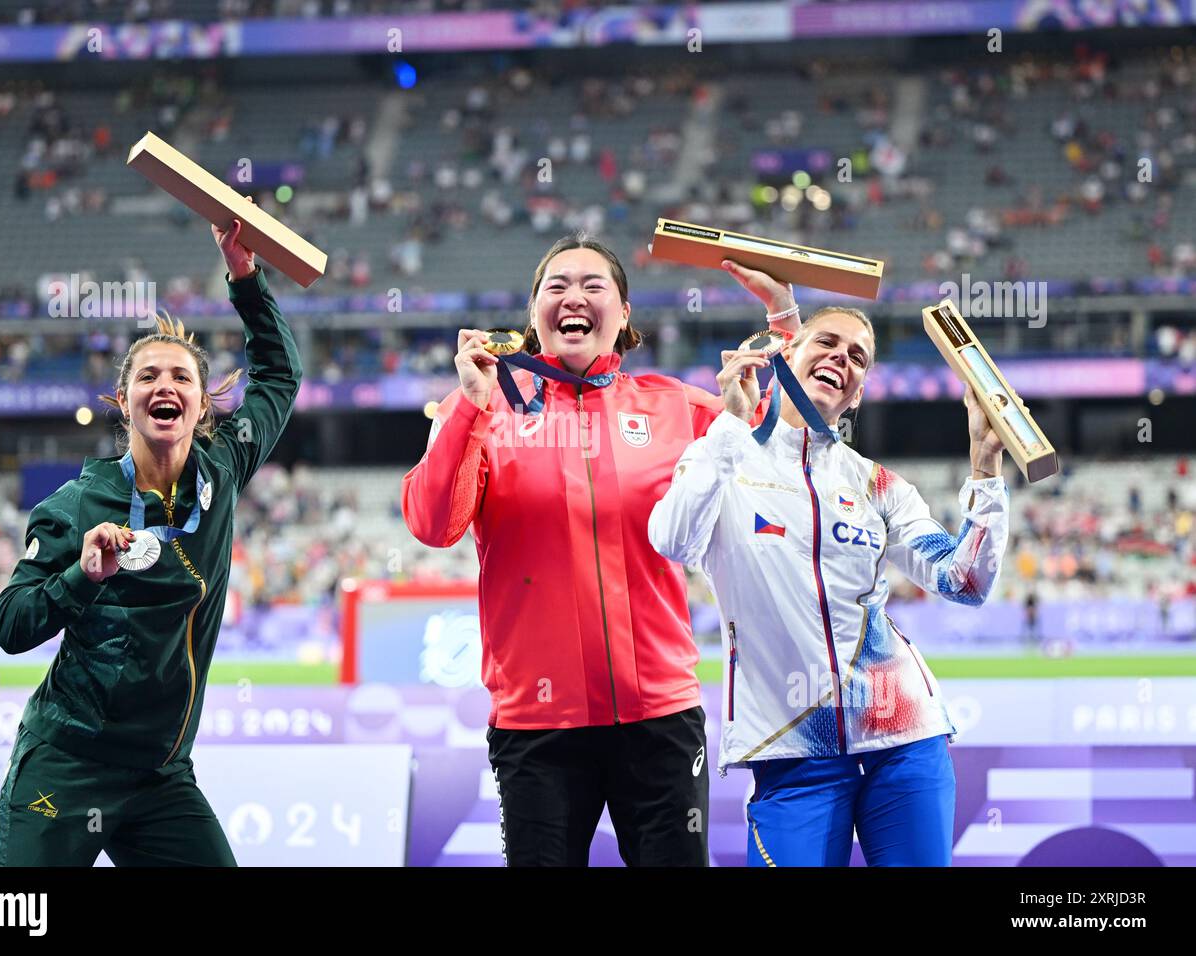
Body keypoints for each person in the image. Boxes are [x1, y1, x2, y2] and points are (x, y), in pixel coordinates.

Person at [401, 232, 794, 866]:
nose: (573, 297)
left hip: (660, 717)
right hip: (536, 726)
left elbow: (791, 438)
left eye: (593, 286)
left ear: (624, 314)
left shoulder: (675, 408)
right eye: (555, 287)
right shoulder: (483, 407)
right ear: (534, 317)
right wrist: (470, 410)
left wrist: (782, 318)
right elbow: (431, 523)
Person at [0, 203, 302, 866]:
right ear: (123, 399)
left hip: (161, 778)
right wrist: (83, 576)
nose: (166, 385)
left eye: (181, 376)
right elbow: (12, 625)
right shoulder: (75, 503)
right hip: (65, 770)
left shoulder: (226, 464)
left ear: (201, 402)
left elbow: (279, 375)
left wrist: (244, 274)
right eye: (148, 376)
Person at [649, 306, 1009, 867]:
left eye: (858, 356)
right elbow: (673, 540)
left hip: (905, 737)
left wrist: (985, 470)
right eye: (827, 342)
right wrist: (731, 422)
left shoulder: (877, 483)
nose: (842, 358)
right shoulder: (720, 457)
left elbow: (963, 580)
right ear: (785, 355)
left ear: (859, 394)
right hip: (792, 749)